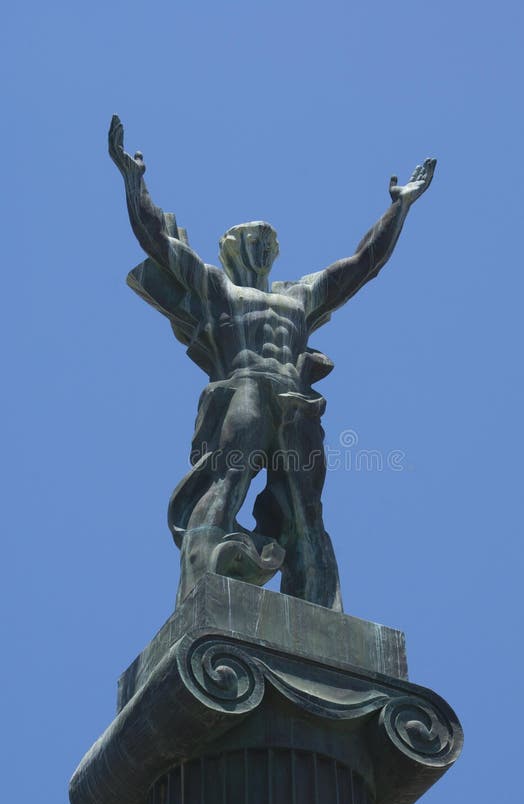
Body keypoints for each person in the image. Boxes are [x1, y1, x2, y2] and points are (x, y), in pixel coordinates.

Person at [109, 115, 435, 609]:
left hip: (296, 402)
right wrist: (135, 185)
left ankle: (320, 605)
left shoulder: (301, 295)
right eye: (253, 238)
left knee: (306, 511)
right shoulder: (219, 289)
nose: (263, 245)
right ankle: (201, 581)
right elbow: (159, 242)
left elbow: (364, 264)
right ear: (234, 249)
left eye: (269, 239)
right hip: (244, 390)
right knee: (228, 481)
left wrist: (401, 208)